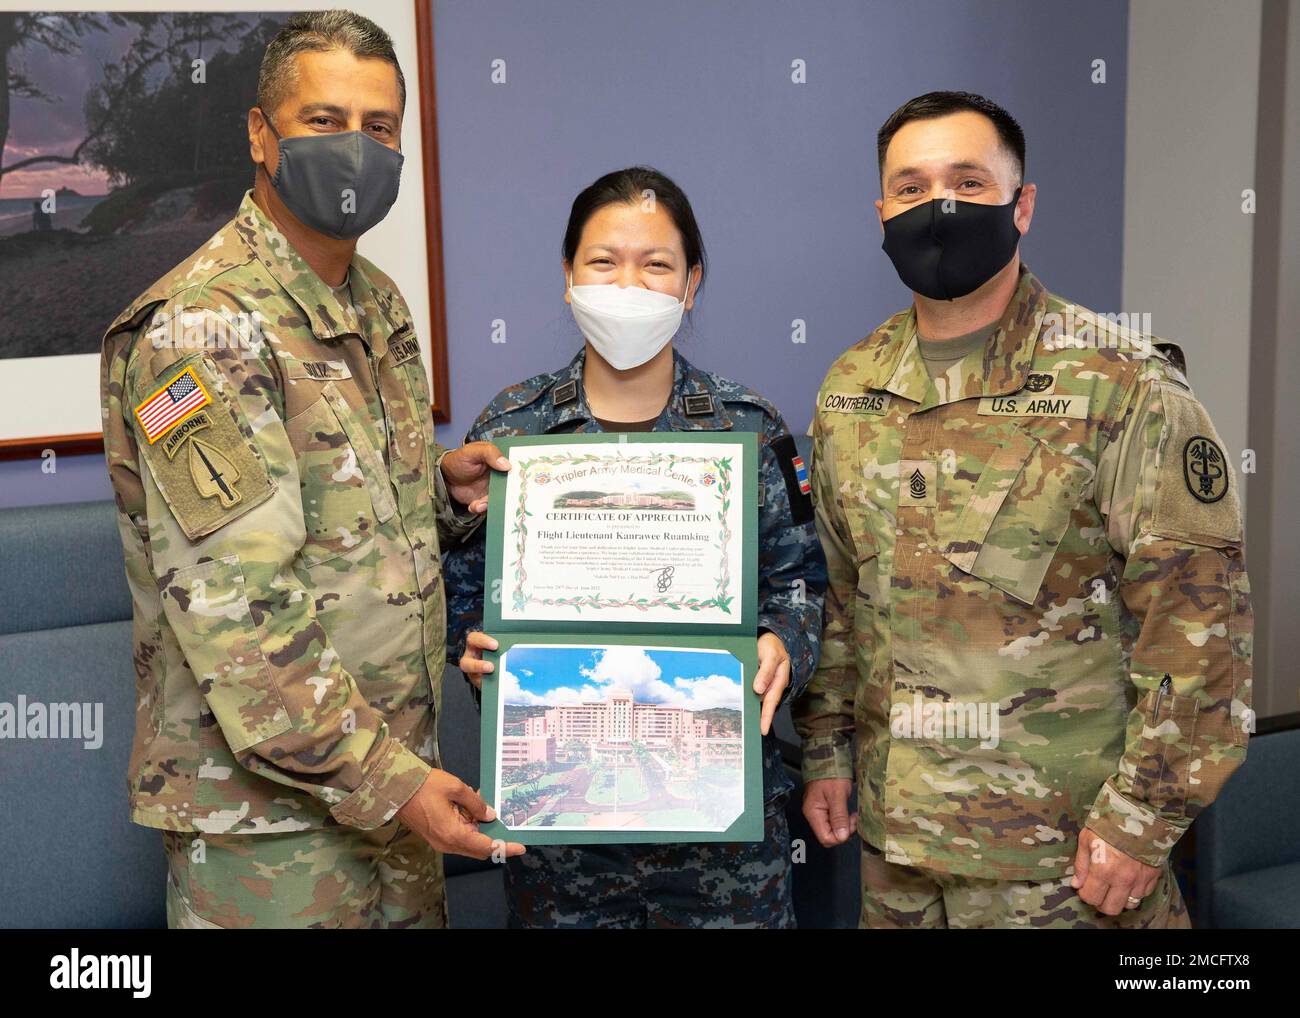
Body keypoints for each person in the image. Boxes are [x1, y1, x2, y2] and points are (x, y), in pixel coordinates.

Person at [99, 9, 521, 930]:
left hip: (398, 787)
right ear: (261, 134)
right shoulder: (198, 330)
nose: (356, 149)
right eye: (324, 121)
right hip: (272, 829)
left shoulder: (375, 303)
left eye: (380, 128)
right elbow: (235, 605)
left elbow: (348, 508)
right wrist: (388, 781)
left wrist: (440, 496)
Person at [795, 91, 1253, 928]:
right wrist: (825, 746)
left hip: (1066, 865)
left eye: (969, 181)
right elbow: (838, 591)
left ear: (1023, 204)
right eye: (912, 186)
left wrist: (1144, 823)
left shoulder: (1123, 383)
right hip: (898, 853)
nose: (939, 207)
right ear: (882, 210)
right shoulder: (851, 387)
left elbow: (1201, 632)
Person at [444, 166, 827, 928]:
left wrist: (785, 643)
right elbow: (463, 593)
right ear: (567, 277)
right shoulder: (513, 430)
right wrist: (477, 649)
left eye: (655, 264)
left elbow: (801, 584)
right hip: (562, 846)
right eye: (603, 262)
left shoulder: (749, 428)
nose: (629, 284)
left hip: (726, 845)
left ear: (690, 285)